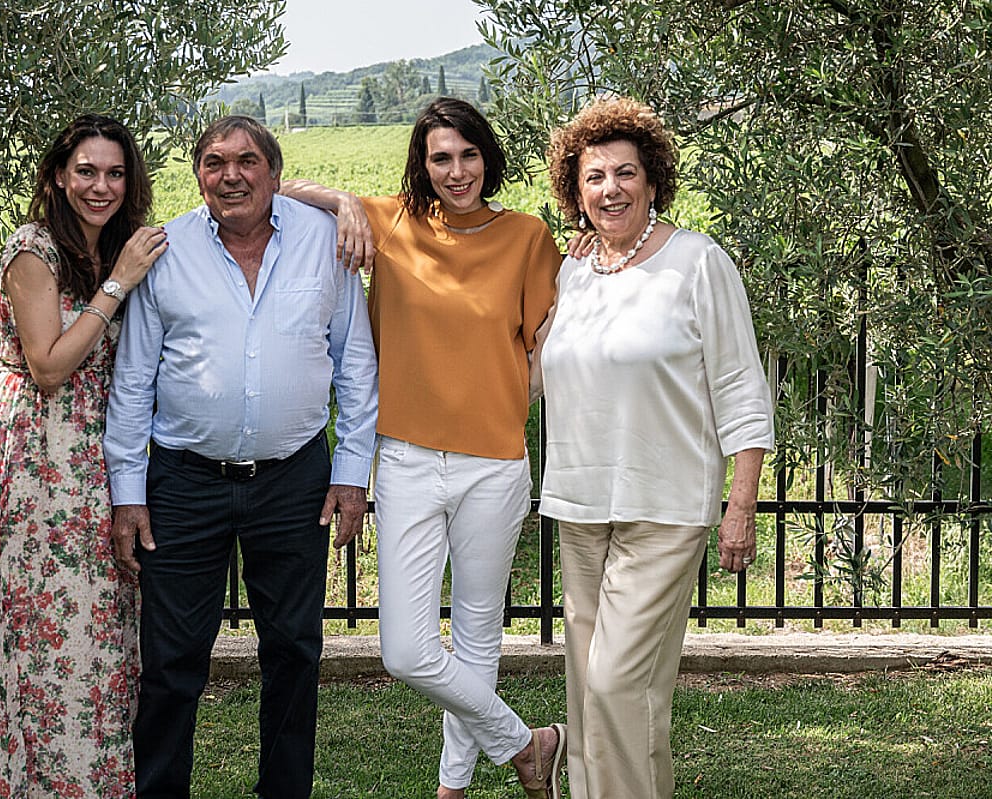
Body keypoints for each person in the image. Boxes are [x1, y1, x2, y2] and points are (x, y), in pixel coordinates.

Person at [280, 97, 566, 799]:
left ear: (486, 158)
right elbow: (277, 190)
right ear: (423, 161)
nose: (457, 170)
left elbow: (551, 346)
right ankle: (528, 743)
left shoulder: (528, 237)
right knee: (406, 649)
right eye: (441, 156)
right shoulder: (393, 223)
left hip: (495, 462)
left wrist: (500, 398)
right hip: (405, 457)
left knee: (475, 634)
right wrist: (344, 200)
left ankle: (453, 787)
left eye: (469, 154)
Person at [103, 115, 378, 799]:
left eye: (248, 160)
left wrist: (350, 474)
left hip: (294, 480)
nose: (232, 175)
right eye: (214, 162)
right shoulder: (166, 250)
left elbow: (356, 362)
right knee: (170, 660)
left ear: (276, 173)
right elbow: (134, 380)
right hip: (182, 482)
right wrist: (128, 493)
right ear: (198, 176)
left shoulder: (326, 241)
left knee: (292, 652)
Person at [536, 96, 775, 799]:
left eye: (625, 173)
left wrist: (741, 503)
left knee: (619, 683)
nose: (610, 188)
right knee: (588, 690)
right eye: (594, 177)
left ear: (652, 179)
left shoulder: (697, 262)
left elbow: (741, 386)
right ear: (574, 191)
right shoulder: (572, 271)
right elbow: (535, 376)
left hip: (666, 507)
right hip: (579, 505)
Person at [0, 113, 168, 798]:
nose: (100, 186)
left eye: (114, 172)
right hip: (23, 453)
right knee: (27, 625)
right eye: (86, 171)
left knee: (93, 632)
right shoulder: (33, 248)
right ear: (57, 176)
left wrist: (334, 202)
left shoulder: (124, 244)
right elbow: (47, 365)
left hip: (92, 455)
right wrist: (119, 283)